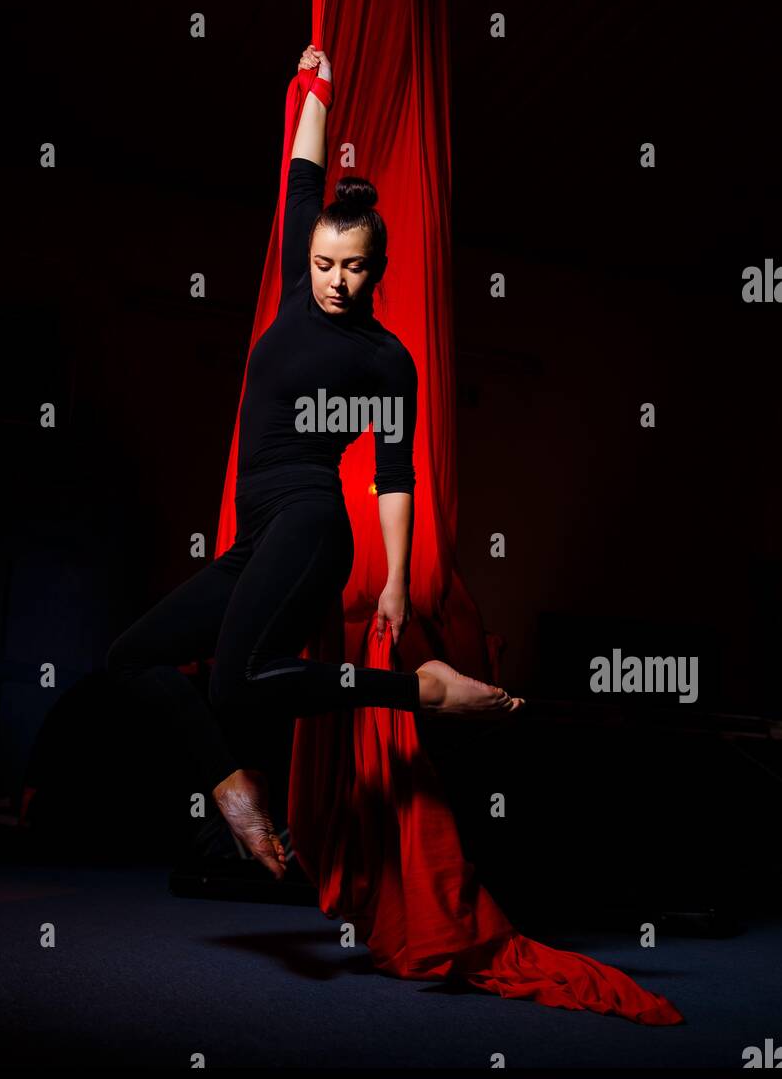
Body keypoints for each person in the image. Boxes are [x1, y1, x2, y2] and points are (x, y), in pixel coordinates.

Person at [106, 44, 524, 881]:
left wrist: (399, 582)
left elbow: (397, 472)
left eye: (355, 267)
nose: (335, 280)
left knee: (236, 682)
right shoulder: (302, 287)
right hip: (259, 532)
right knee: (132, 661)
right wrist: (317, 86)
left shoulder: (385, 359)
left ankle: (424, 689)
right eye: (325, 264)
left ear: (378, 268)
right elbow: (301, 177)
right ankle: (231, 781)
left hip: (311, 522)